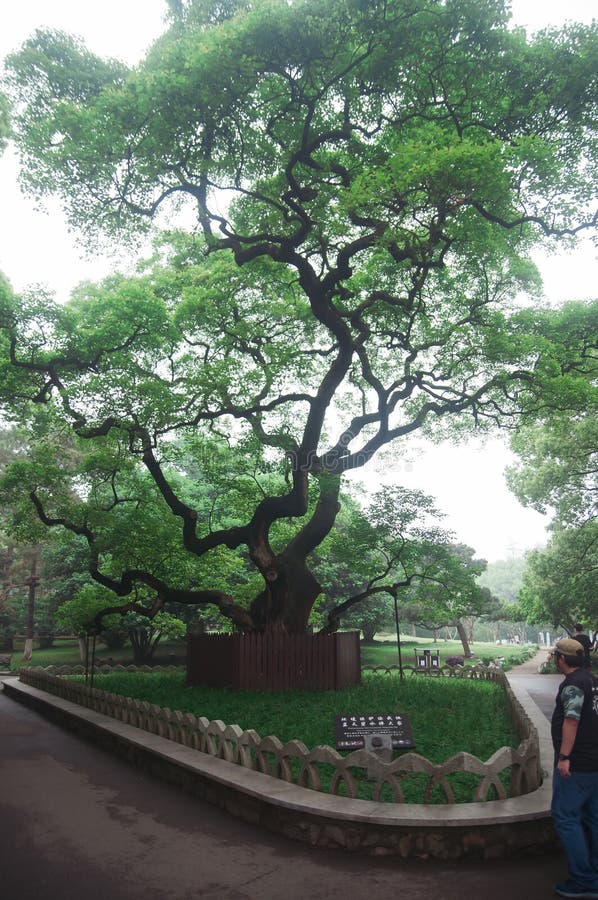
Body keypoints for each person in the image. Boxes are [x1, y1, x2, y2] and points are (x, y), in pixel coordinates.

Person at [550, 638, 598, 898]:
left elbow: (572, 720)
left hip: (577, 765)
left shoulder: (573, 685)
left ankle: (584, 880)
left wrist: (565, 756)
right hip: (594, 762)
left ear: (562, 659)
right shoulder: (592, 680)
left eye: (555, 656)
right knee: (593, 818)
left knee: (566, 817)